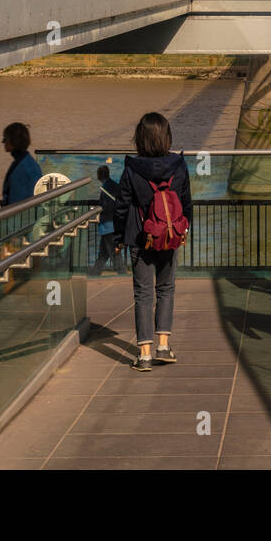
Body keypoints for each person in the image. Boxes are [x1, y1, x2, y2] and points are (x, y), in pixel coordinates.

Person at [114, 112, 192, 372]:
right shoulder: (179, 165)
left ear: (140, 138)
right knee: (166, 288)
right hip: (170, 237)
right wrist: (183, 230)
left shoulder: (132, 168)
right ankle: (163, 346)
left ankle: (144, 354)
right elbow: (186, 201)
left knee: (143, 293)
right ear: (166, 135)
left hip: (140, 237)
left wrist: (118, 237)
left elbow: (122, 205)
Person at [89, 165, 124, 275]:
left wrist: (98, 209)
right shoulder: (112, 184)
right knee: (104, 253)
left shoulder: (107, 187)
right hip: (111, 225)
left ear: (99, 175)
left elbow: (107, 205)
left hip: (109, 226)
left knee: (113, 252)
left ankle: (121, 272)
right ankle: (95, 272)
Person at [1, 121, 43, 205]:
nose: (3, 142)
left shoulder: (23, 167)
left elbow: (17, 199)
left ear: (13, 141)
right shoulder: (27, 163)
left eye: (5, 139)